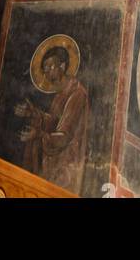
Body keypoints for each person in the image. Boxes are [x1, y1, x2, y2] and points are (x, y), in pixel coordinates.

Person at [17, 45, 88, 193]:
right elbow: (54, 122)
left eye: (50, 66)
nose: (47, 72)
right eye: (45, 68)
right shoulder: (60, 94)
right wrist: (34, 113)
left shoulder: (77, 94)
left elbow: (64, 136)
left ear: (62, 66)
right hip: (53, 162)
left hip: (66, 164)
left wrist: (38, 135)